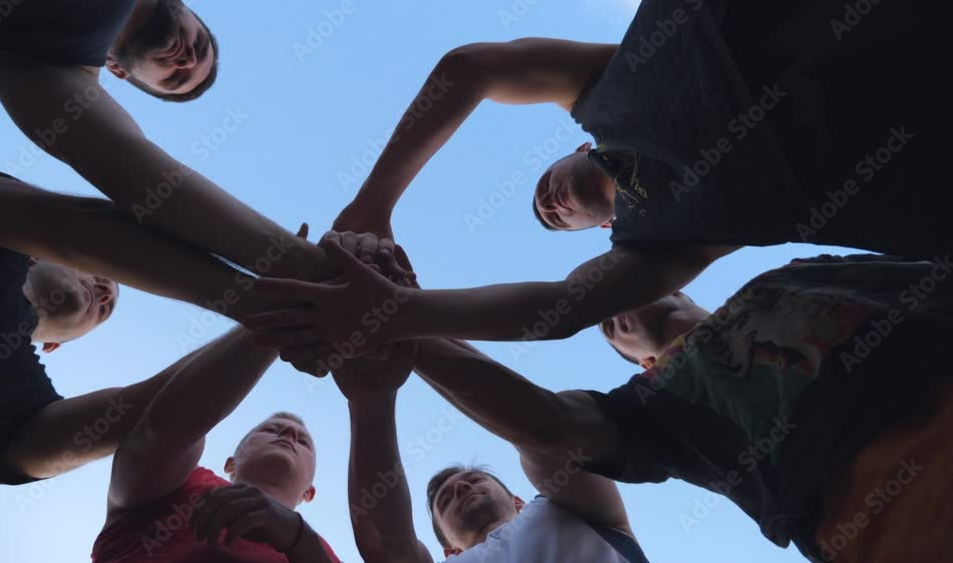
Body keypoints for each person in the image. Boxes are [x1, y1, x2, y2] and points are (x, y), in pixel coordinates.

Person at [300, 0, 945, 354]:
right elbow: (558, 311)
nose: (550, 206)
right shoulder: (659, 243)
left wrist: (372, 203)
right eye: (558, 220)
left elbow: (469, 68)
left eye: (541, 191)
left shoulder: (600, 88)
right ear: (602, 226)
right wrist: (399, 313)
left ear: (575, 145)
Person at [339, 251, 952, 562]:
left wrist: (398, 318)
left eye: (612, 307)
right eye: (606, 324)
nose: (460, 489)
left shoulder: (789, 277)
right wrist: (395, 321)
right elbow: (544, 427)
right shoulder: (660, 410)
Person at [0, 165, 332, 484]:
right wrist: (278, 280)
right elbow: (69, 228)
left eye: (106, 311)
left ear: (56, 345)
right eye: (100, 272)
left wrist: (280, 317)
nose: (103, 292)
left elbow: (147, 412)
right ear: (37, 254)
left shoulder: (15, 414)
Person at [0, 0, 332, 287]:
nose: (185, 60)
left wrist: (304, 272)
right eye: (198, 45)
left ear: (117, 70)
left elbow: (138, 174)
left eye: (172, 78)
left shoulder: (58, 69)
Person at [334, 340, 649, 563]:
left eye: (474, 479)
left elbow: (539, 431)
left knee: (545, 445)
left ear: (519, 502)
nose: (459, 486)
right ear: (449, 551)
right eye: (445, 501)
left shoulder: (569, 508)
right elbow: (385, 547)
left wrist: (406, 323)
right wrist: (370, 397)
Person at [91, 325, 340, 562]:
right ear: (230, 464)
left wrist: (297, 537)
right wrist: (285, 324)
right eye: (271, 429)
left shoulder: (318, 550)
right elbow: (165, 427)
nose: (288, 433)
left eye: (304, 442)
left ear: (309, 492)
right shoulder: (180, 483)